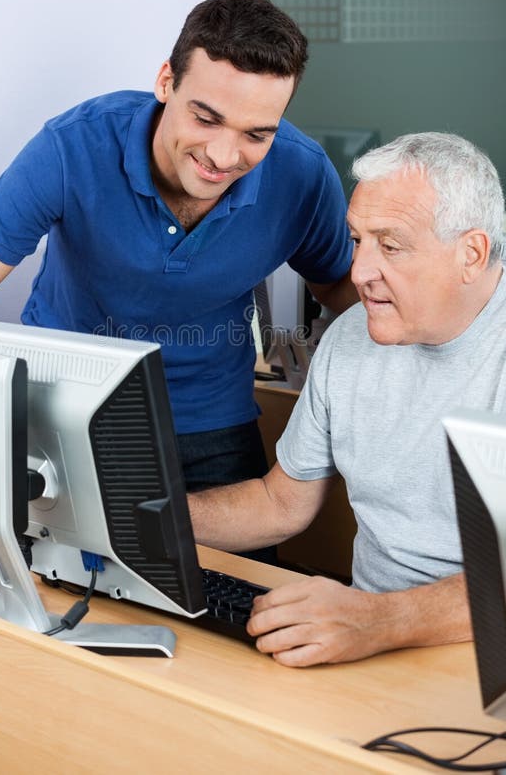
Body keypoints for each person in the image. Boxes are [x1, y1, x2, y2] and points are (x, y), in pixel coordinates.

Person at [0, 0, 356, 504]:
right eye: (206, 120)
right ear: (166, 81)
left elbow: (340, 287)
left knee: (237, 585)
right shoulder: (72, 147)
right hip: (64, 413)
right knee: (56, 580)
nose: (224, 156)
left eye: (257, 134)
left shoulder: (304, 175)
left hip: (215, 431)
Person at [188, 131, 506, 666]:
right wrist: (140, 518)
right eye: (358, 240)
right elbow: (280, 504)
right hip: (361, 640)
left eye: (391, 245)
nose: (358, 273)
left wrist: (381, 620)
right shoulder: (351, 338)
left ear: (470, 253)